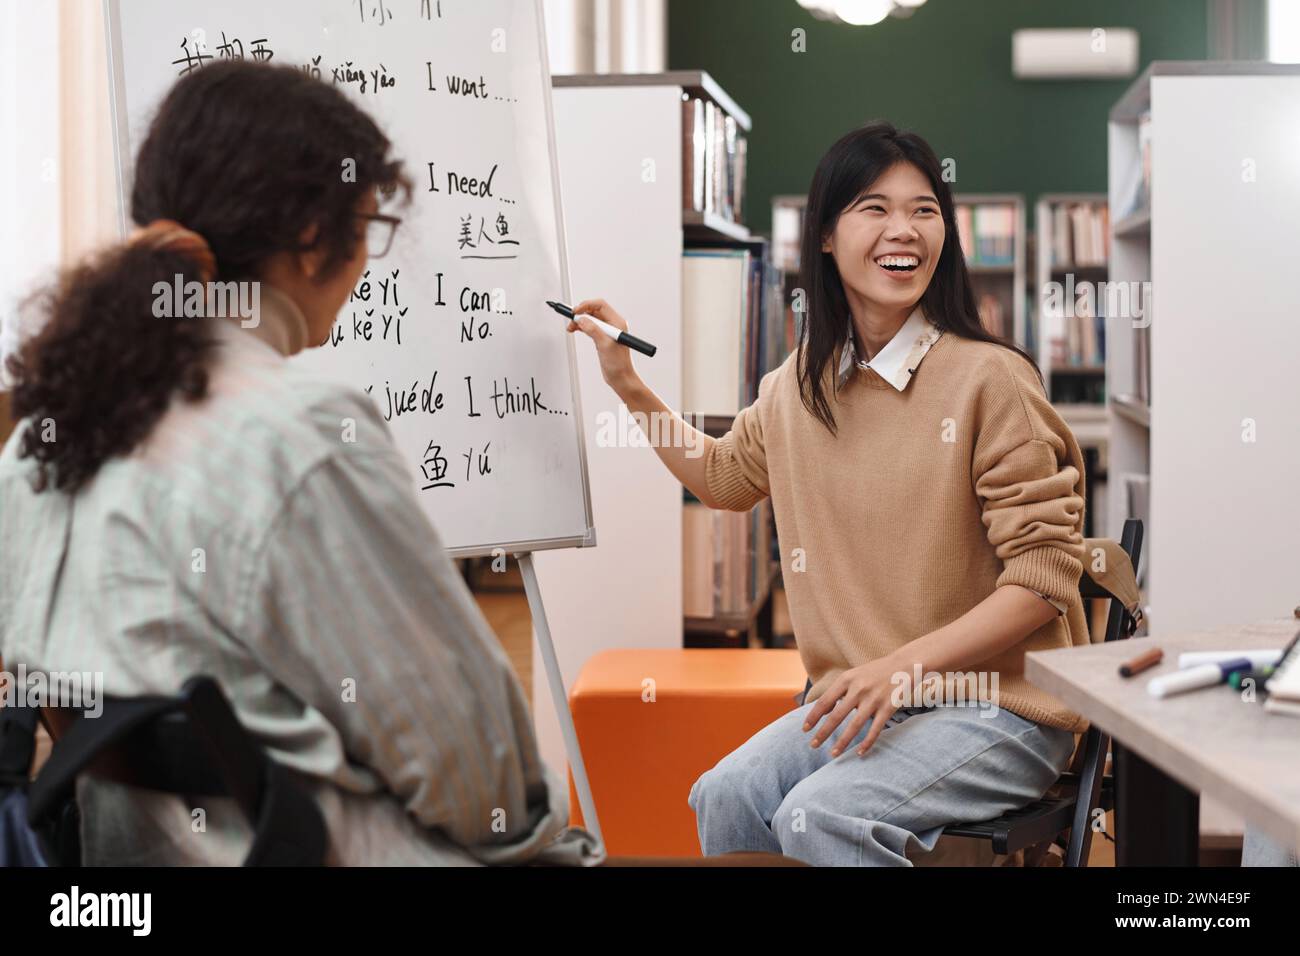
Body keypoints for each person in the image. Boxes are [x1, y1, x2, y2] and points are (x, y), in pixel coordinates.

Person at [0, 60, 597, 866]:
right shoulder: (302, 438)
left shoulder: (44, 435)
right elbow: (479, 779)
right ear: (315, 238)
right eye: (369, 229)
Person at [567, 121, 1087, 866]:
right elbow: (721, 479)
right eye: (874, 208)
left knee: (820, 815)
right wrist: (627, 383)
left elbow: (1042, 580)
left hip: (997, 710)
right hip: (867, 705)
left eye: (924, 209)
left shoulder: (990, 380)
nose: (902, 229)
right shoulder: (795, 387)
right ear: (825, 237)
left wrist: (900, 668)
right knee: (726, 794)